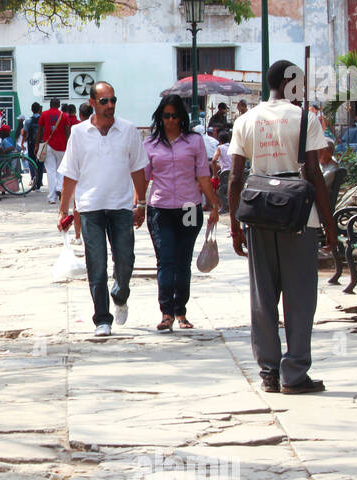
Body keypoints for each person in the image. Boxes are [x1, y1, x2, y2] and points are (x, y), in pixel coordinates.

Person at [228, 59, 338, 394]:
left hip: (259, 214)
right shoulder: (305, 119)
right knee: (300, 297)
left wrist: (235, 225)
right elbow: (314, 174)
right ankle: (295, 373)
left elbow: (234, 178)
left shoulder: (245, 120)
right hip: (300, 216)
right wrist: (330, 224)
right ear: (292, 84)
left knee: (263, 296)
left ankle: (269, 372)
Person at [58, 81, 147, 336]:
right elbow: (70, 174)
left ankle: (120, 294)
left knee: (125, 260)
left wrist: (140, 203)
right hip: (90, 208)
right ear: (93, 103)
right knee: (96, 264)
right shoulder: (78, 133)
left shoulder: (128, 130)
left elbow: (138, 169)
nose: (110, 105)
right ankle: (102, 319)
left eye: (113, 100)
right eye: (104, 101)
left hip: (121, 207)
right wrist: (64, 210)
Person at [143, 95, 220, 331]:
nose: (171, 120)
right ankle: (166, 312)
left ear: (182, 117)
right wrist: (134, 204)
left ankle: (181, 312)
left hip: (189, 207)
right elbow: (142, 178)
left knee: (183, 261)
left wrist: (214, 204)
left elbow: (203, 176)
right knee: (165, 260)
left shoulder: (194, 142)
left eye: (175, 115)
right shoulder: (150, 144)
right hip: (160, 208)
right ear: (160, 117)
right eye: (166, 116)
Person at [38, 98, 73, 204]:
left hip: (48, 146)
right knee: (61, 170)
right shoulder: (64, 116)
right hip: (62, 146)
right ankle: (59, 188)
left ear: (50, 104)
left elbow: (39, 130)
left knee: (50, 171)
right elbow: (67, 131)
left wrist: (36, 145)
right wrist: (68, 145)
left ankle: (51, 198)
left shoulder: (44, 114)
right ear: (59, 105)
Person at [20, 103, 44, 191]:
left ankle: (33, 178)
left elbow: (24, 134)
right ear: (39, 110)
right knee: (40, 164)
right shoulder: (43, 119)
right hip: (41, 144)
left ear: (31, 110)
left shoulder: (28, 121)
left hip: (31, 144)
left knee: (32, 162)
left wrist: (22, 143)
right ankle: (39, 185)